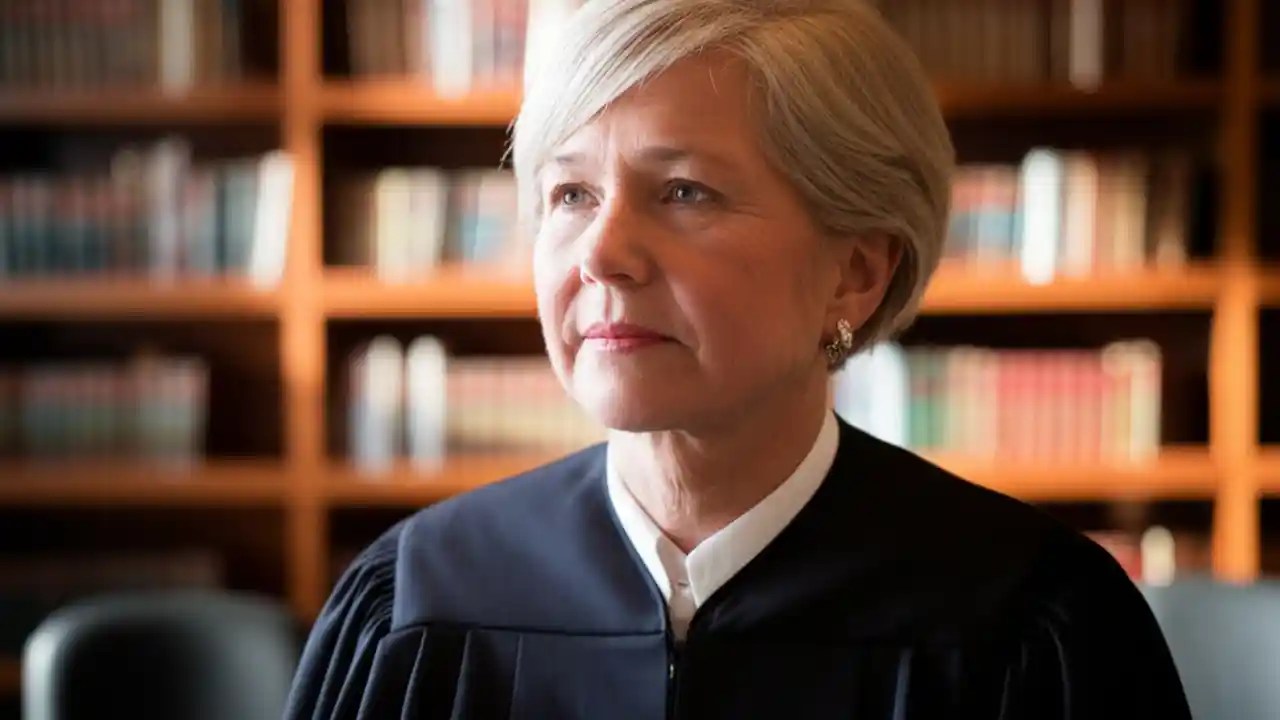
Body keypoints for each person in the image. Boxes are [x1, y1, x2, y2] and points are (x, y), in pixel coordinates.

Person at [286, 0, 1192, 717]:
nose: (601, 254)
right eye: (570, 192)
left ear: (856, 272)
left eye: (684, 191)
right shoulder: (416, 604)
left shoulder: (1032, 623)